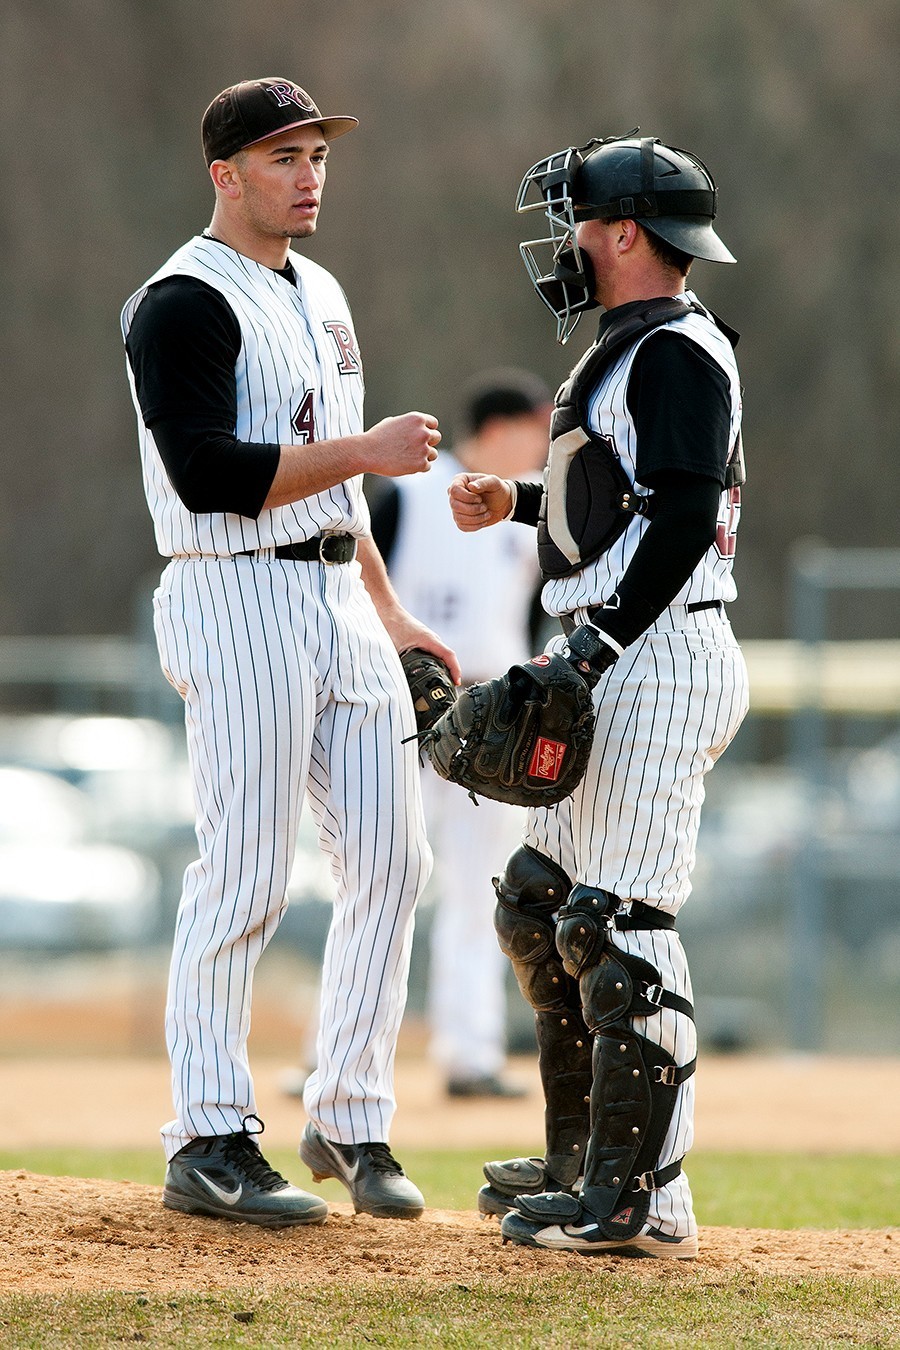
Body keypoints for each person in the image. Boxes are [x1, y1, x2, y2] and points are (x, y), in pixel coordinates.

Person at [121, 76, 460, 1228]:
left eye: (318, 155)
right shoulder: (181, 301)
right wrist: (365, 450)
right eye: (284, 157)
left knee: (394, 861)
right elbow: (208, 476)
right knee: (247, 872)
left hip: (337, 596)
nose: (310, 176)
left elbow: (340, 495)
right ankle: (207, 1135)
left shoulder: (322, 292)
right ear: (225, 174)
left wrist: (392, 614)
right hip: (235, 593)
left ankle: (349, 1116)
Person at [449, 133, 749, 1258]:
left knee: (619, 923)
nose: (567, 241)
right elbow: (618, 498)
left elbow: (683, 517)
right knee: (540, 905)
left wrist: (595, 647)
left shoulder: (674, 348)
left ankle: (645, 1199)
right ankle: (585, 1166)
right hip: (623, 648)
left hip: (655, 653)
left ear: (626, 232)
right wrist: (521, 501)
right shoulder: (634, 345)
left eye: (578, 220)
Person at [370, 370, 552, 1098]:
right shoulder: (410, 492)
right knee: (378, 879)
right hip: (403, 703)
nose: (543, 442)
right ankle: (337, 1056)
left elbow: (534, 618)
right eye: (536, 426)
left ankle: (469, 1055)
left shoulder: (532, 505)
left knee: (483, 890)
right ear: (500, 427)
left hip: (493, 713)